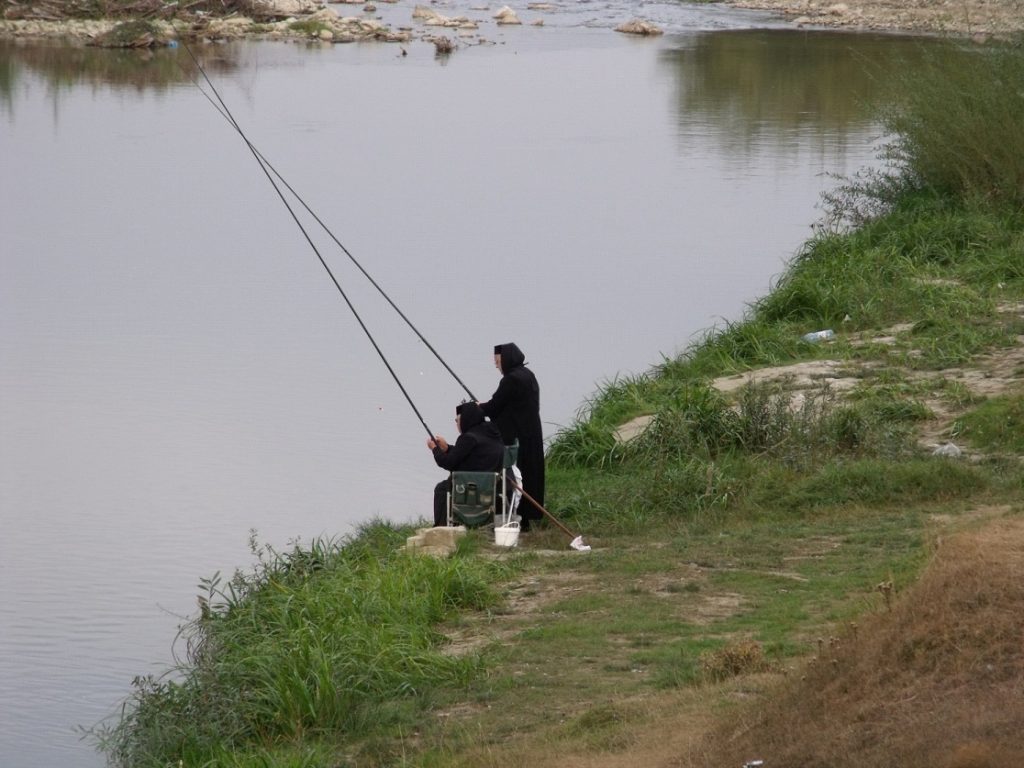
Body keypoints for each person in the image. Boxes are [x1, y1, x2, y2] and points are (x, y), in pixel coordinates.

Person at [480, 342, 544, 531]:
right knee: (530, 475)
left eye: (498, 362)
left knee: (515, 476)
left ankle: (515, 517)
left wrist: (477, 407)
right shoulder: (528, 374)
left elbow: (494, 406)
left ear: (506, 359)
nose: (497, 366)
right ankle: (526, 517)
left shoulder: (511, 380)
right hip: (532, 433)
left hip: (517, 437)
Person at [427, 401, 505, 527]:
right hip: (493, 486)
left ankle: (441, 526)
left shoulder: (468, 438)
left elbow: (448, 463)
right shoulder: (492, 431)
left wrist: (435, 449)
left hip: (472, 487)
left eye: (457, 420)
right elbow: (468, 454)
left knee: (442, 488)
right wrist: (447, 448)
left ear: (465, 420)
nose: (457, 424)